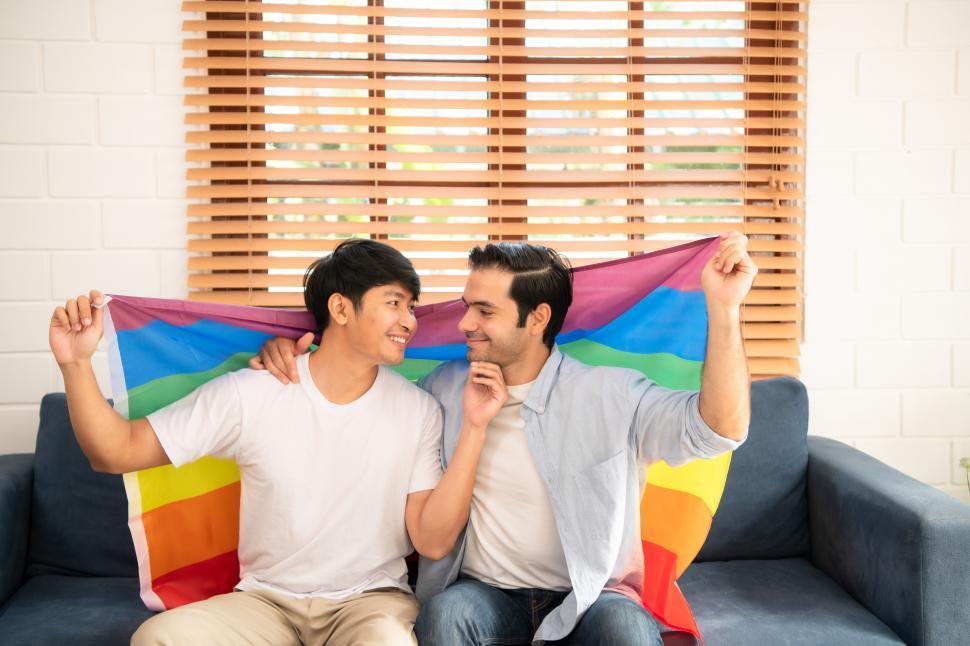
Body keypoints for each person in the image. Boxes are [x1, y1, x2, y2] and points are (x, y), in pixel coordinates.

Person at [253, 232, 756, 645]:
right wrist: (290, 358)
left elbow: (717, 431)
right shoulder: (442, 390)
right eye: (468, 306)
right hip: (483, 596)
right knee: (447, 616)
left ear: (537, 318)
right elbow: (359, 390)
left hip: (589, 599)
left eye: (484, 312)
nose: (464, 323)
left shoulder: (612, 394)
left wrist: (725, 308)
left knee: (626, 629)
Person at [48, 239, 507, 646]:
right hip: (265, 605)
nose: (408, 320)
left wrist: (475, 428)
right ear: (341, 309)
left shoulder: (419, 409)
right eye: (394, 303)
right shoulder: (251, 393)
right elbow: (116, 452)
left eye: (411, 306)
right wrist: (75, 364)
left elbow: (430, 539)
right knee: (159, 638)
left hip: (371, 604)